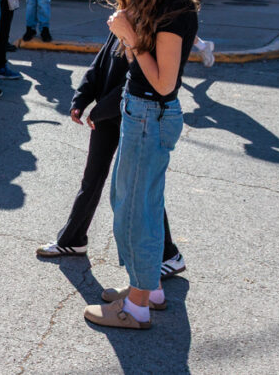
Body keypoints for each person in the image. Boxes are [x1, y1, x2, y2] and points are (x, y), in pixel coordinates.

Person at [81, 0, 198, 330]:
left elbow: (164, 84)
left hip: (151, 114)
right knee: (132, 203)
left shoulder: (173, 10)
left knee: (138, 211)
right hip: (142, 112)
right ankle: (148, 289)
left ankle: (136, 306)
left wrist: (129, 38)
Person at [35, 30, 185, 282]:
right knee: (92, 178)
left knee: (141, 187)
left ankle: (169, 255)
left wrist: (99, 110)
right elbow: (100, 63)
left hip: (133, 115)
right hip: (106, 115)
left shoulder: (147, 25)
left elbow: (135, 80)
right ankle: (72, 239)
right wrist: (80, 98)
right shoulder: (122, 19)